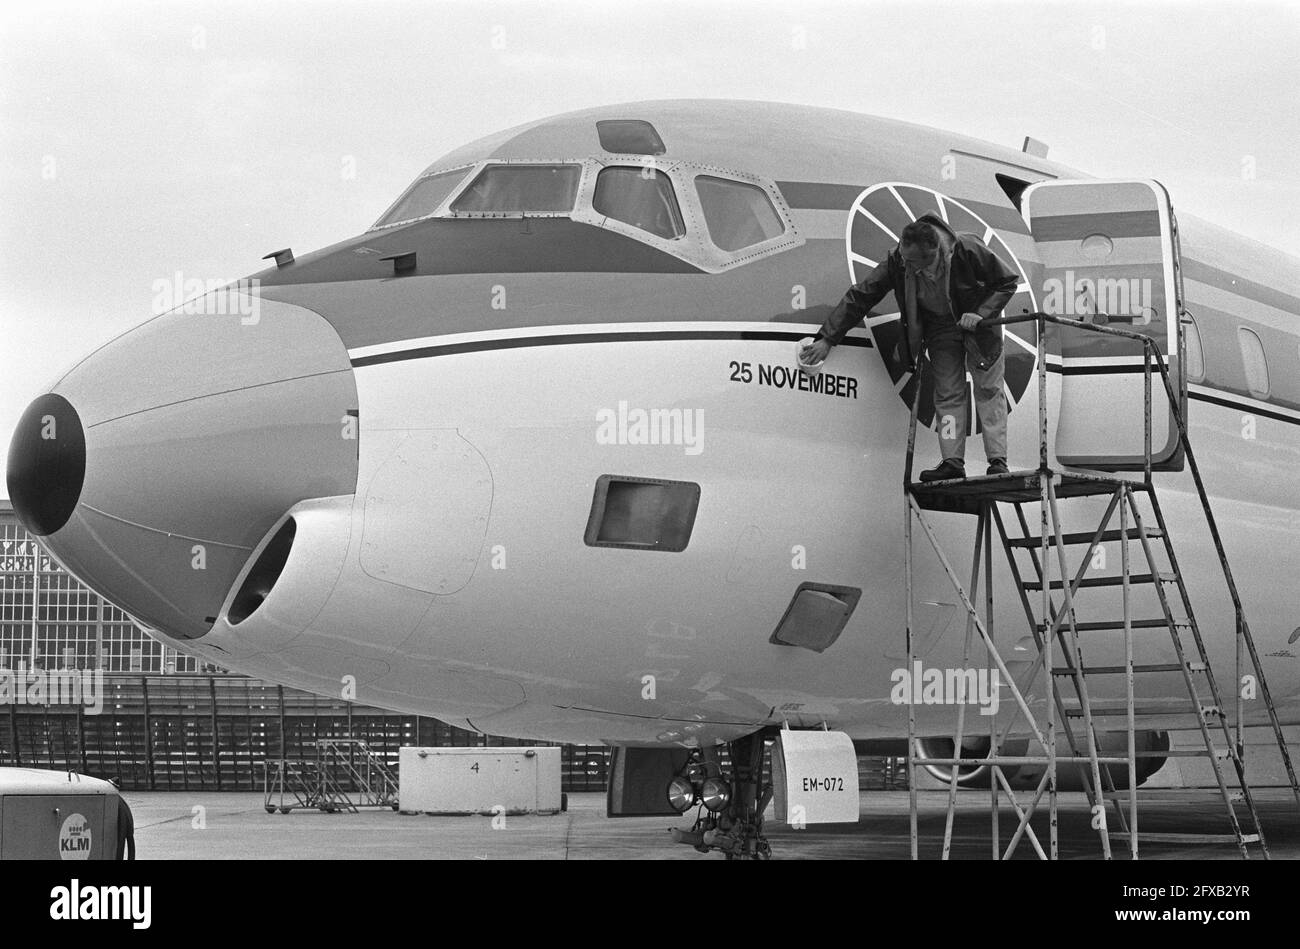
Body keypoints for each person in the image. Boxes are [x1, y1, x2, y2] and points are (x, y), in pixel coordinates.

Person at [801, 213, 1020, 481]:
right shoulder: (899, 260)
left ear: (934, 252)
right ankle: (952, 462)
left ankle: (998, 461)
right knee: (948, 394)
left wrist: (981, 313)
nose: (907, 266)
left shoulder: (966, 248)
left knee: (988, 390)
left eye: (914, 262)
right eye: (905, 259)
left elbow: (1007, 281)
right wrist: (828, 338)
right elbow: (863, 294)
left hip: (979, 328)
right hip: (941, 330)